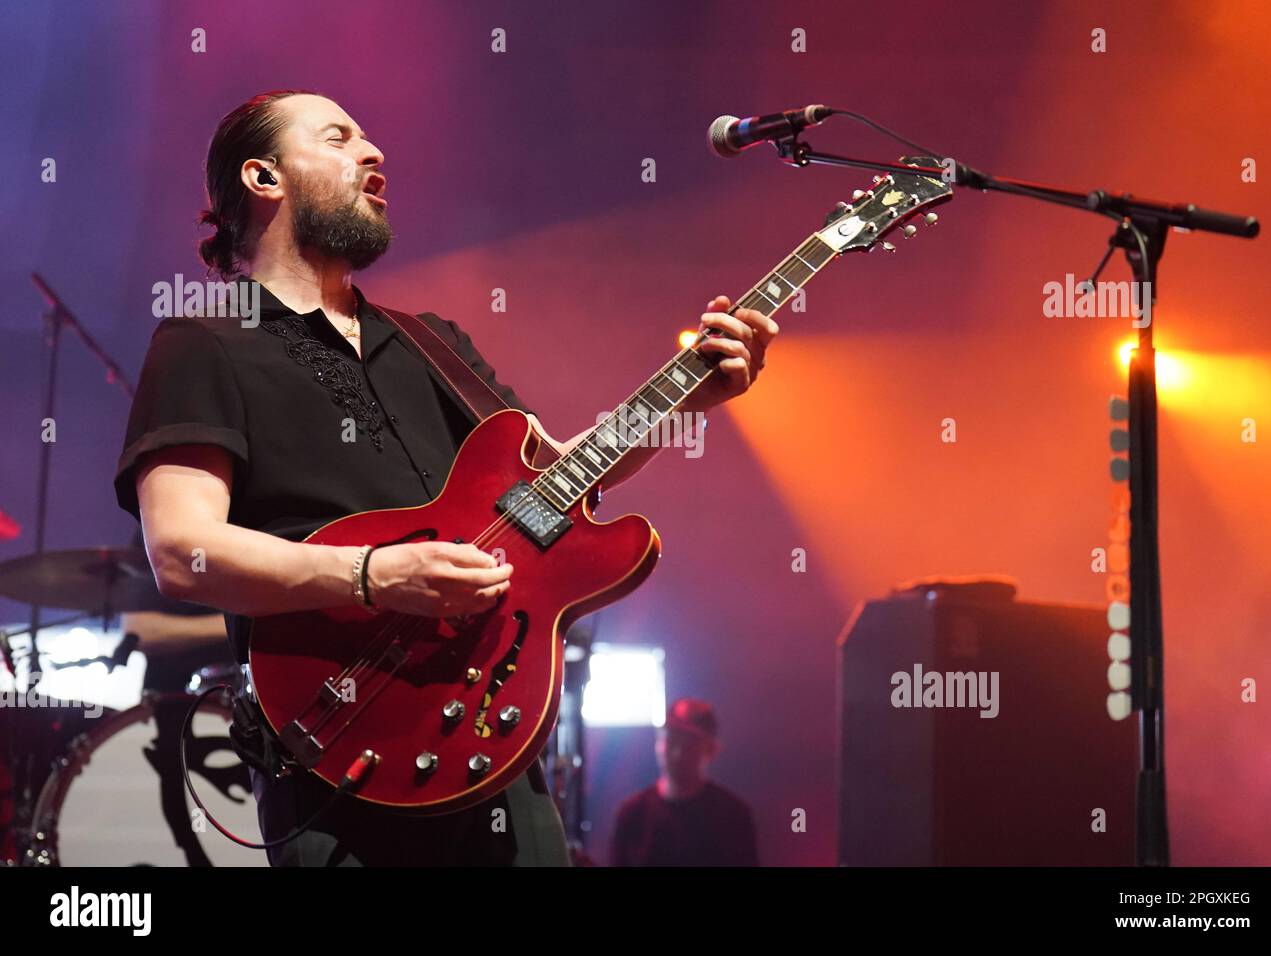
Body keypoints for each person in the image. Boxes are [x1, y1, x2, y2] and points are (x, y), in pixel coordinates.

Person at [113, 90, 777, 866]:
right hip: (345, 752)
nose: (374, 152)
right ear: (264, 178)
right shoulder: (204, 342)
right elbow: (182, 552)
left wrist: (694, 394)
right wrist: (374, 574)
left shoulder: (436, 345)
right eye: (339, 137)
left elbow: (562, 480)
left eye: (370, 135)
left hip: (498, 741)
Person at [609, 698, 759, 866]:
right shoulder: (632, 815)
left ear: (710, 749)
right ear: (658, 743)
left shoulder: (733, 817)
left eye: (688, 744)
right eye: (671, 740)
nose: (677, 753)